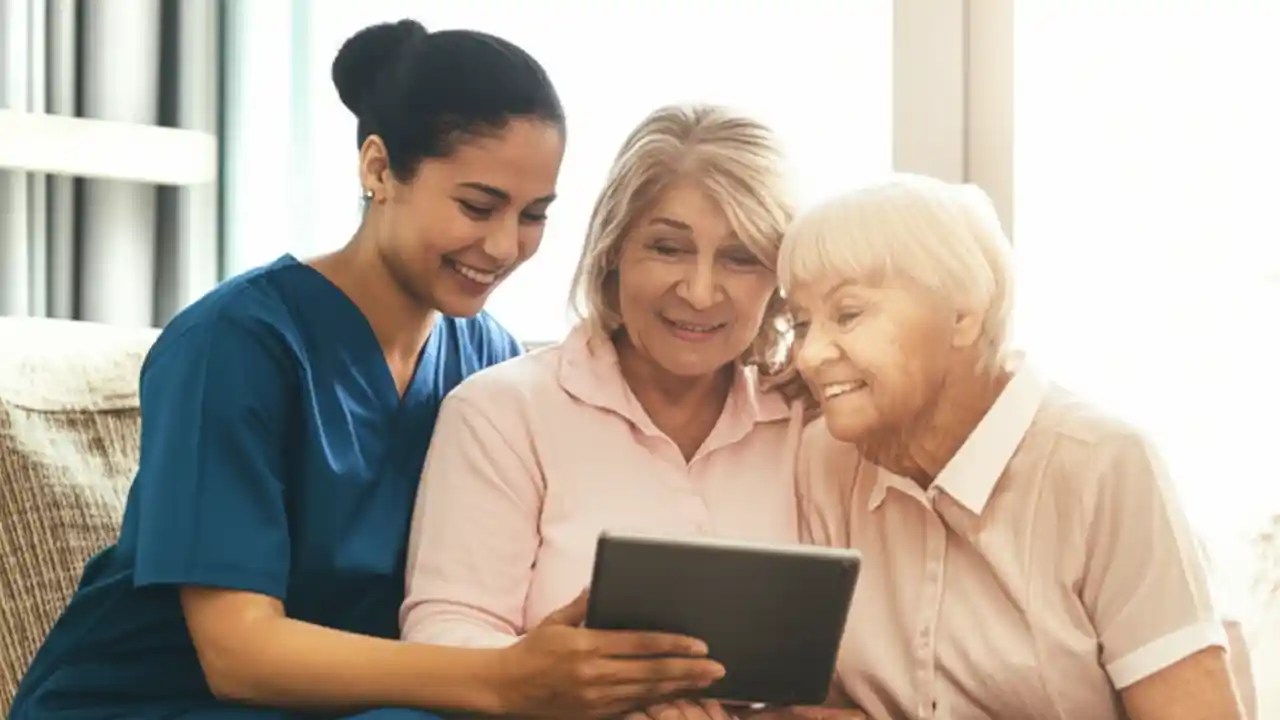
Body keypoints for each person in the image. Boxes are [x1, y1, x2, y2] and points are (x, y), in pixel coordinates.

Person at [9, 20, 722, 720]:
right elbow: (237, 654)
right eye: (478, 206)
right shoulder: (233, 343)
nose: (505, 245)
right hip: (154, 700)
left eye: (534, 214)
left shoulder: (492, 364)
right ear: (379, 168)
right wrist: (504, 680)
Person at [399, 104, 842, 719]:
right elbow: (445, 631)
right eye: (668, 248)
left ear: (778, 280)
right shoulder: (505, 411)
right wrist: (575, 690)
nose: (700, 291)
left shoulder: (814, 422)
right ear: (612, 252)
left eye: (740, 259)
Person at [780, 173, 1247, 719]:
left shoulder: (1101, 466)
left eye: (848, 314)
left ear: (962, 314)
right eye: (800, 323)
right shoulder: (823, 460)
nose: (808, 356)